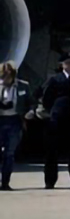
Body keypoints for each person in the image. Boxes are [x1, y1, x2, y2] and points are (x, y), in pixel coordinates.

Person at [41, 53, 70, 189]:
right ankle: (50, 181)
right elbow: (46, 98)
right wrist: (54, 111)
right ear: (62, 65)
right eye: (67, 63)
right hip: (58, 120)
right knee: (52, 151)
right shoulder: (55, 79)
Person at [0, 61, 32, 191]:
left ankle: (5, 182)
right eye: (3, 77)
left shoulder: (23, 86)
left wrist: (30, 111)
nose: (6, 79)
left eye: (9, 76)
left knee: (9, 153)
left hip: (15, 121)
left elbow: (31, 103)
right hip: (0, 120)